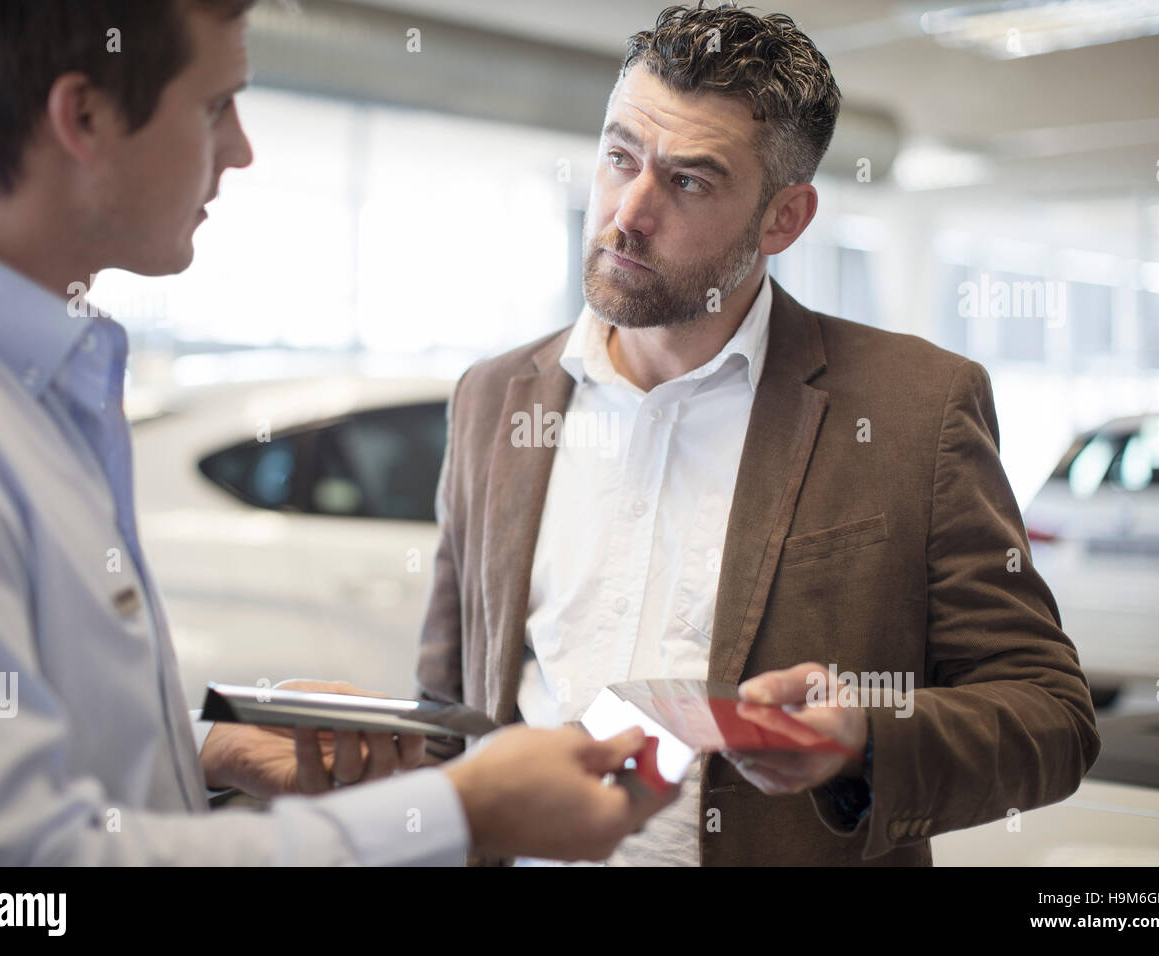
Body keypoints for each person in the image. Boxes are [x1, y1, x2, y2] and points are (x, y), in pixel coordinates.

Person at [0, 0, 675, 866]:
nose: (239, 149)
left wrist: (207, 743)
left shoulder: (40, 379)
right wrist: (461, 812)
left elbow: (26, 741)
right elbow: (11, 881)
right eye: (215, 107)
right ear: (83, 116)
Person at [416, 3, 1101, 866]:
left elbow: (1051, 714)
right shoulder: (492, 400)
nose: (628, 212)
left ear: (785, 219)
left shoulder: (913, 409)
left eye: (689, 181)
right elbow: (448, 713)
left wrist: (863, 736)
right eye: (619, 156)